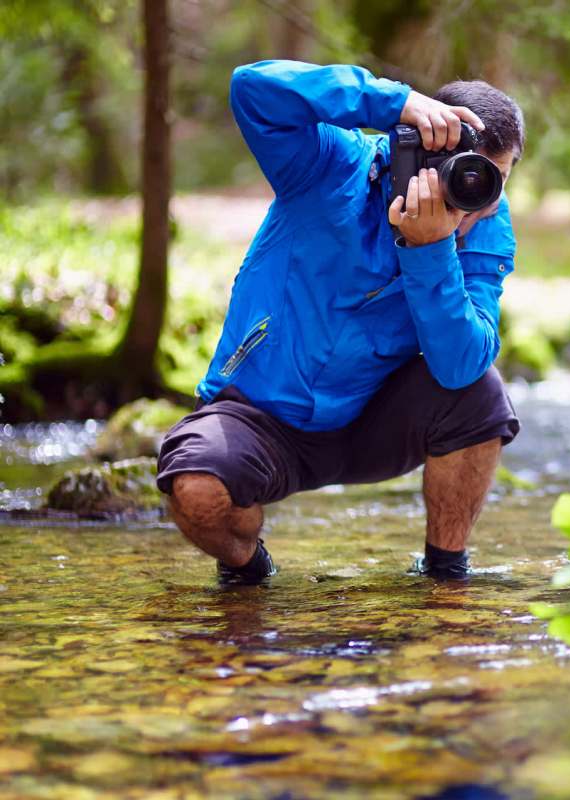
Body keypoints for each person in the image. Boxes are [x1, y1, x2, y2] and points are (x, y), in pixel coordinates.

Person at [155, 60, 525, 584]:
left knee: (481, 394)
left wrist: (430, 249)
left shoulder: (486, 225)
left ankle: (445, 576)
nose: (475, 195)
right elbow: (252, 88)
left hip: (373, 420)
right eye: (465, 170)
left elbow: (461, 364)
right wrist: (393, 102)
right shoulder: (332, 164)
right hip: (262, 413)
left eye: (494, 182)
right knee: (197, 491)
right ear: (425, 145)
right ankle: (249, 571)